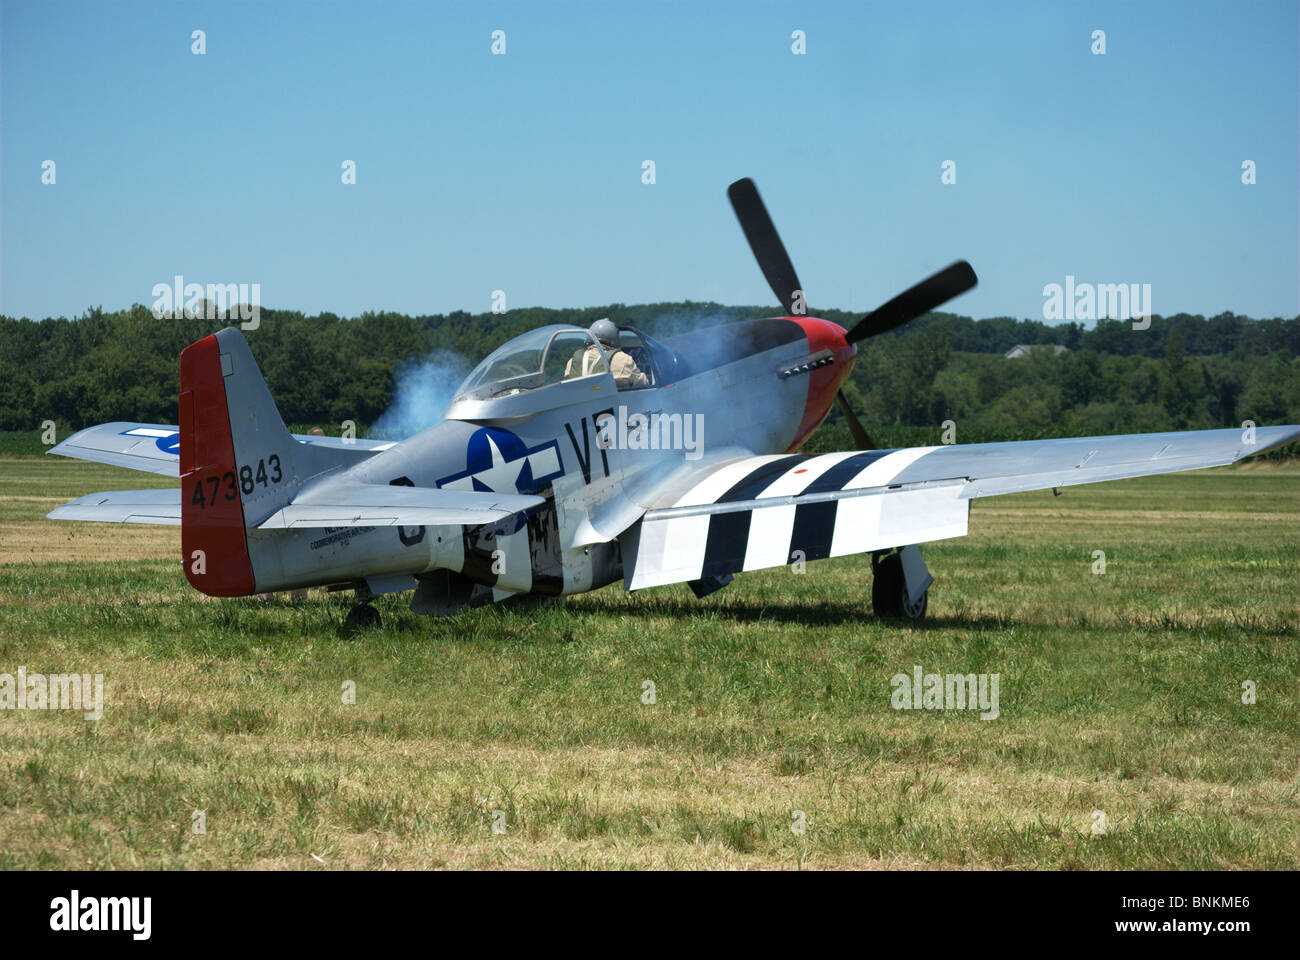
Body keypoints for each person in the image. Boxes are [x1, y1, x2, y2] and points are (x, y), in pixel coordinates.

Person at [565, 318, 648, 388]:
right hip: (621, 406)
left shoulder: (572, 362)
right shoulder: (624, 359)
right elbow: (643, 385)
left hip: (582, 406)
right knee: (625, 407)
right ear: (614, 339)